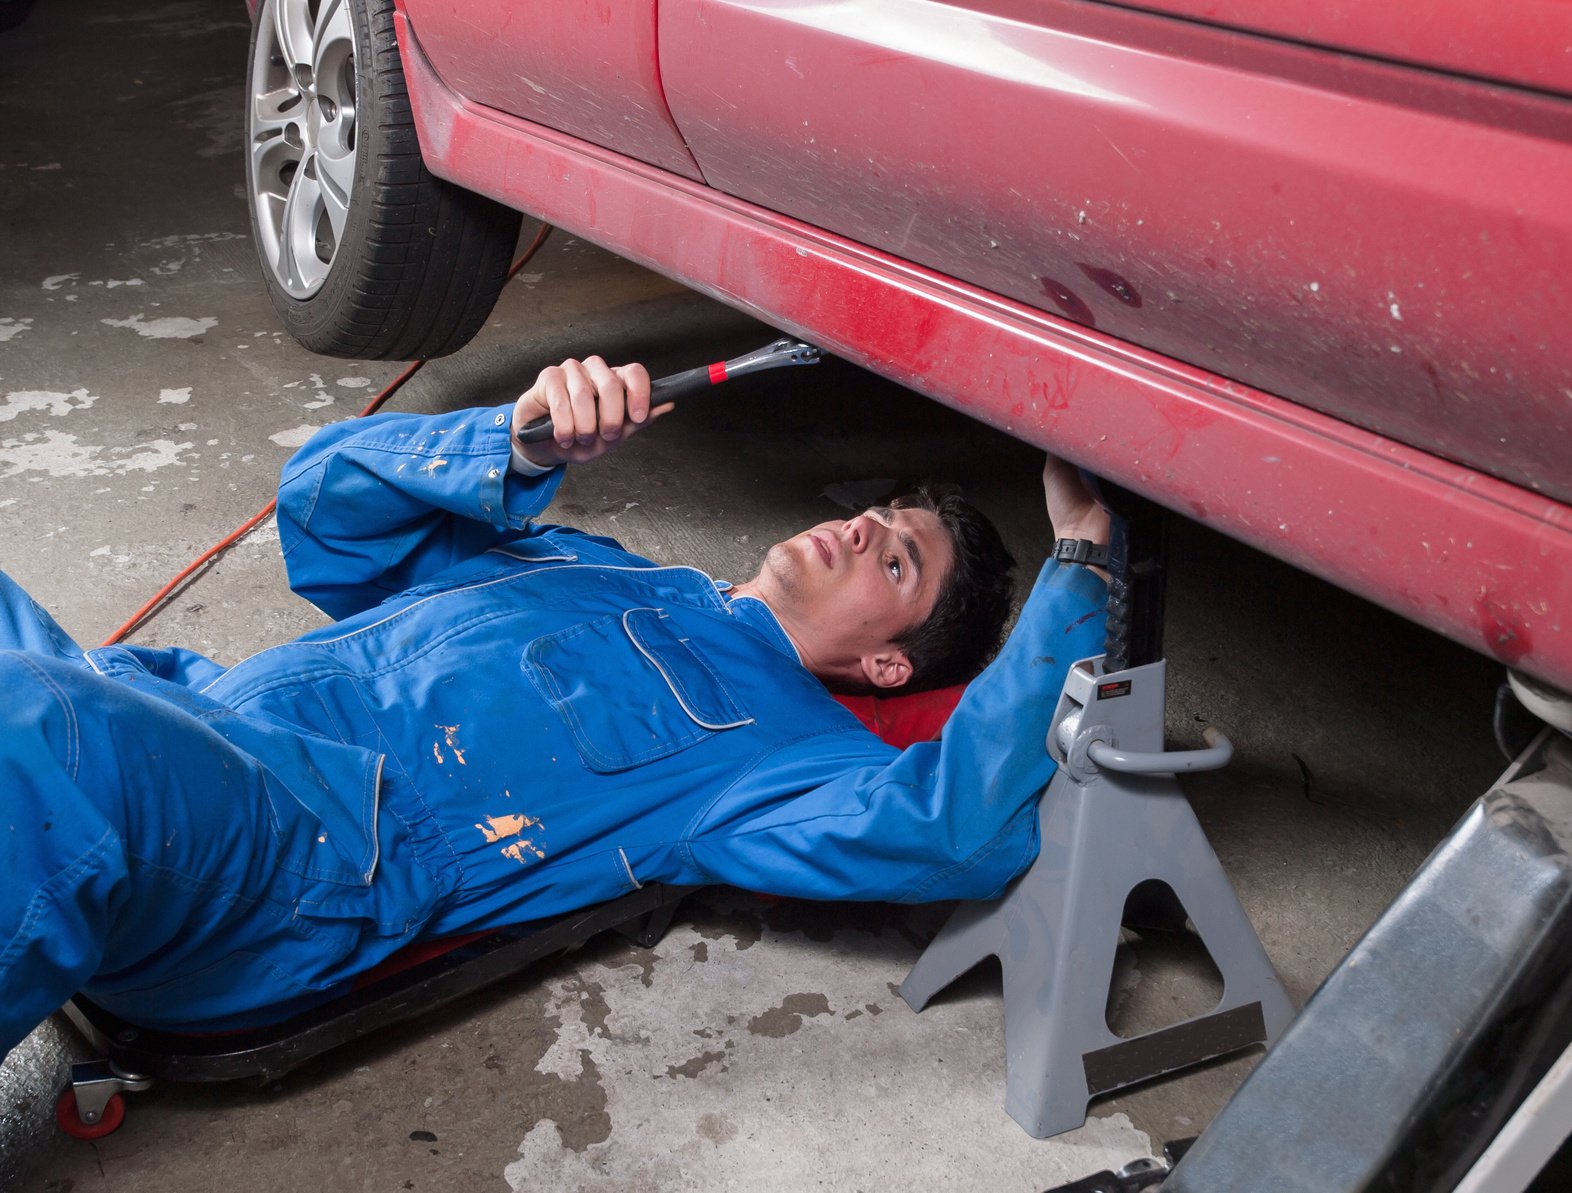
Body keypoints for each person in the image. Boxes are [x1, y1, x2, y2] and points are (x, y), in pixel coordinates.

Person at [0, 357, 1110, 1058]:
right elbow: (327, 515)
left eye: (901, 561)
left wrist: (1084, 564)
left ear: (887, 670)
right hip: (177, 718)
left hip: (298, 860)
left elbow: (953, 824)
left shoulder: (786, 758)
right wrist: (520, 438)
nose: (865, 526)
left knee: (39, 732)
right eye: (880, 512)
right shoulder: (603, 565)